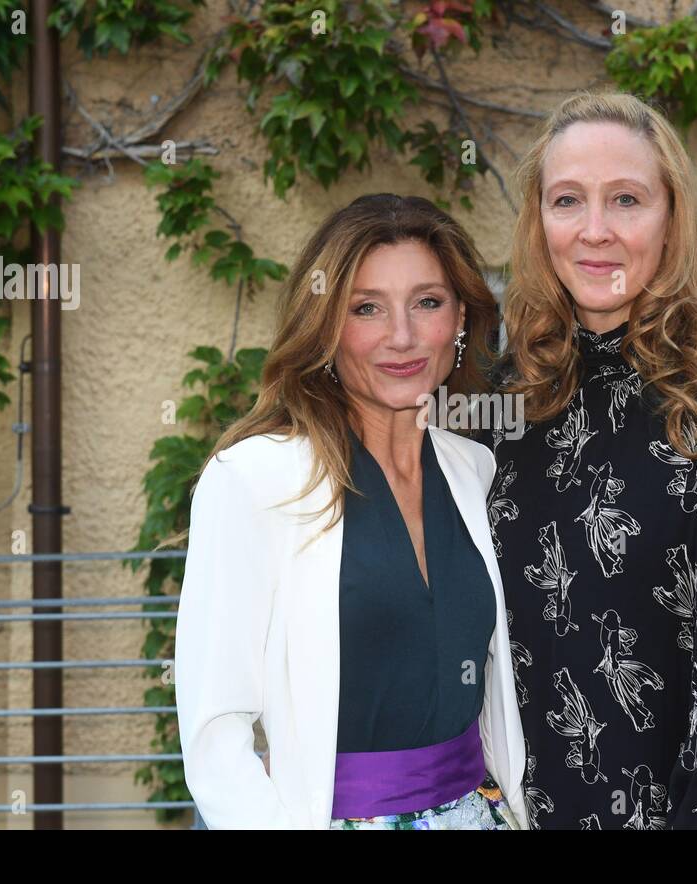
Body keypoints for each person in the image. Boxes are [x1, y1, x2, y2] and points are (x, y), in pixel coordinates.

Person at [484, 91, 697, 829]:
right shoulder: (495, 416)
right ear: (538, 223)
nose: (594, 230)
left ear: (673, 218)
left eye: (627, 200)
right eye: (567, 200)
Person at [174, 194, 529, 829]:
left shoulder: (472, 470)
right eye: (367, 308)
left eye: (428, 302)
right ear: (327, 327)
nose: (402, 336)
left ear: (462, 320)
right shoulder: (255, 479)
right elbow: (215, 736)